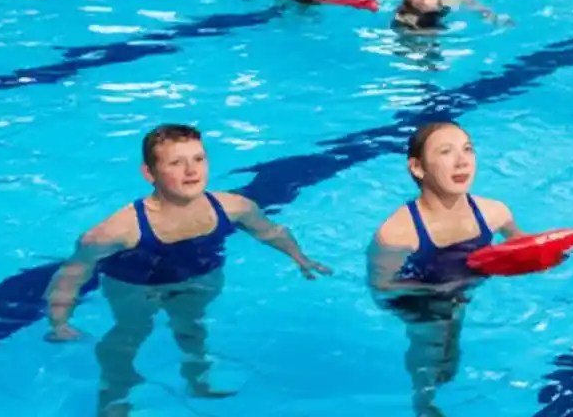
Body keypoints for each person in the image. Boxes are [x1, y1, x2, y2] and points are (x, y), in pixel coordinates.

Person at [44, 124, 330, 415]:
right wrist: (59, 321)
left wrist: (299, 257)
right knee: (130, 335)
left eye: (198, 159)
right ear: (149, 173)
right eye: (176, 163)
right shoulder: (117, 230)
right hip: (138, 288)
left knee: (193, 328)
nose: (191, 171)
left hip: (199, 280)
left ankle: (197, 381)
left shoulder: (234, 207)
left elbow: (270, 231)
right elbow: (72, 273)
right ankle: (114, 398)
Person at [367, 122, 522, 416]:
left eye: (468, 149)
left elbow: (521, 244)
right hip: (421, 300)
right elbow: (382, 286)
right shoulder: (397, 233)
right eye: (446, 152)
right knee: (431, 346)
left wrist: (549, 254)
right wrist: (435, 291)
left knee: (450, 358)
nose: (462, 161)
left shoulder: (494, 212)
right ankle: (423, 402)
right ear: (417, 167)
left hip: (460, 290)